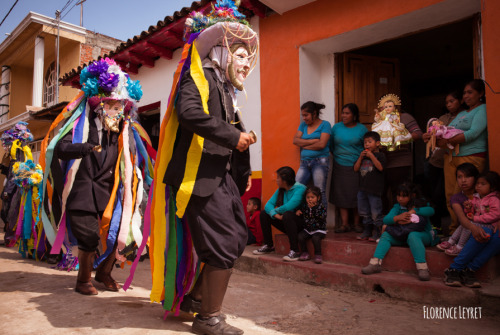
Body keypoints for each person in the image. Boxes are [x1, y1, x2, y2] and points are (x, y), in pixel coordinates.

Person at [148, 2, 259, 333]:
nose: (244, 61)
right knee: (224, 243)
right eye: (238, 54)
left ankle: (196, 300)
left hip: (219, 177)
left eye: (245, 56)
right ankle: (208, 319)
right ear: (221, 51)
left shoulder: (225, 88)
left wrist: (243, 175)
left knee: (238, 238)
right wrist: (233, 137)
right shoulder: (198, 77)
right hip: (196, 178)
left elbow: (237, 135)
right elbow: (190, 114)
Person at [39, 58, 153, 295]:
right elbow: (60, 147)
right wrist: (85, 148)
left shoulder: (124, 134)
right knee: (89, 237)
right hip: (81, 193)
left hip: (109, 196)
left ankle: (103, 273)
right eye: (110, 105)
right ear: (98, 104)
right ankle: (83, 281)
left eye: (119, 106)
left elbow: (131, 164)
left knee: (123, 233)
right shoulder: (80, 126)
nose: (115, 110)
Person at [361, 182, 436, 281]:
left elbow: (431, 211)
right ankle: (375, 263)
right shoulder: (397, 207)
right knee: (386, 235)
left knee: (413, 235)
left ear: (412, 195)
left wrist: (415, 211)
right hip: (403, 235)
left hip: (423, 236)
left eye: (404, 196)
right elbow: (386, 219)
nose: (400, 199)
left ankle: (423, 268)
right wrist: (397, 218)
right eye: (399, 195)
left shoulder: (420, 203)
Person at [442, 79, 488, 234]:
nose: (466, 96)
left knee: (461, 196)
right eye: (464, 93)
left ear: (480, 93)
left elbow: (474, 133)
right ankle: (453, 231)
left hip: (471, 157)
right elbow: (447, 130)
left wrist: (448, 140)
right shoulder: (462, 113)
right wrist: (435, 137)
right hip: (451, 158)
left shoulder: (482, 109)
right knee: (450, 196)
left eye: (470, 92)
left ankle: (465, 231)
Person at [444, 171, 500, 288]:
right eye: (478, 184)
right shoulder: (475, 198)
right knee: (483, 233)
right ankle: (455, 268)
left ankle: (470, 269)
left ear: (493, 187)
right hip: (476, 227)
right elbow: (468, 215)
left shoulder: (494, 199)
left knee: (497, 240)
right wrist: (469, 209)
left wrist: (476, 217)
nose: (478, 186)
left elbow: (496, 214)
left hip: (493, 227)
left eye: (482, 184)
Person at [422, 91, 463, 231]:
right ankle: (436, 226)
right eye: (447, 102)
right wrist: (427, 136)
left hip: (452, 160)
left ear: (460, 101)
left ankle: (455, 227)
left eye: (452, 101)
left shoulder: (464, 117)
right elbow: (434, 133)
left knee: (446, 194)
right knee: (434, 195)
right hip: (435, 161)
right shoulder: (442, 118)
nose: (449, 104)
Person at [376, 94, 422, 213]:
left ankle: (402, 219)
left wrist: (400, 138)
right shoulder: (380, 121)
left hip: (400, 162)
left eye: (389, 105)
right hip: (382, 162)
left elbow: (418, 133)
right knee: (381, 193)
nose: (385, 109)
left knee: (400, 193)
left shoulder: (405, 117)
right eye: (383, 107)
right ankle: (386, 221)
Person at [253, 166, 306, 262]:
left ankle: (295, 251)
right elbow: (268, 205)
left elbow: (289, 206)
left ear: (285, 180)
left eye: (278, 178)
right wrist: (275, 215)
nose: (276, 180)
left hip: (301, 224)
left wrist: (274, 212)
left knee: (287, 214)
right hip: (286, 221)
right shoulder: (281, 189)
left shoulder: (300, 189)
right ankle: (268, 245)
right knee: (264, 214)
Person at [329, 103, 367, 233]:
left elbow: (366, 146)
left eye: (347, 113)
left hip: (357, 166)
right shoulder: (336, 128)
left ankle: (357, 224)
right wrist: (340, 157)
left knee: (356, 194)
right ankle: (344, 224)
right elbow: (331, 146)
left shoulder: (362, 129)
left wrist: (359, 160)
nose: (344, 116)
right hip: (339, 165)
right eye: (343, 113)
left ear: (354, 115)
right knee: (341, 194)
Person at [0, 122, 34, 247]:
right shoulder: (15, 151)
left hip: (16, 186)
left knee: (12, 211)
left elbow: (14, 174)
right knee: (9, 211)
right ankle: (11, 236)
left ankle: (12, 238)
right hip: (15, 184)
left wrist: (7, 191)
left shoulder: (19, 150)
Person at [293, 101, 331, 207]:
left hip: (320, 161)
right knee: (297, 188)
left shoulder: (325, 125)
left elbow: (322, 144)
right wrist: (313, 141)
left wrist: (303, 144)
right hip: (304, 162)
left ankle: (321, 221)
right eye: (303, 115)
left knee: (319, 191)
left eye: (306, 115)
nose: (304, 118)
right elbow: (295, 141)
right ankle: (303, 217)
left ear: (314, 113)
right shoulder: (303, 125)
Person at [437, 163, 479, 256]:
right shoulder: (456, 198)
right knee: (468, 222)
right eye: (459, 177)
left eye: (467, 176)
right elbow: (463, 220)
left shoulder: (483, 195)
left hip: (483, 229)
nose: (463, 180)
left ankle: (456, 244)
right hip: (468, 231)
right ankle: (454, 243)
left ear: (475, 178)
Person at [354, 131, 386, 242]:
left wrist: (372, 156)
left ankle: (377, 232)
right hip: (362, 189)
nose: (366, 144)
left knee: (375, 212)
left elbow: (380, 168)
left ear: (377, 143)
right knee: (364, 211)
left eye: (369, 142)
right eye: (365, 142)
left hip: (374, 190)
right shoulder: (363, 156)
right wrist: (360, 158)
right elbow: (356, 168)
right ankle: (367, 231)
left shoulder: (380, 155)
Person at [296, 186, 327, 264]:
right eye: (308, 197)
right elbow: (303, 212)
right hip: (308, 229)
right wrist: (299, 212)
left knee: (315, 238)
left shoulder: (321, 207)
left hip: (319, 229)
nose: (310, 199)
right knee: (300, 236)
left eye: (312, 197)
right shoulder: (305, 206)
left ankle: (318, 255)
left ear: (318, 198)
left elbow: (322, 218)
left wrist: (314, 209)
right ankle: (305, 252)